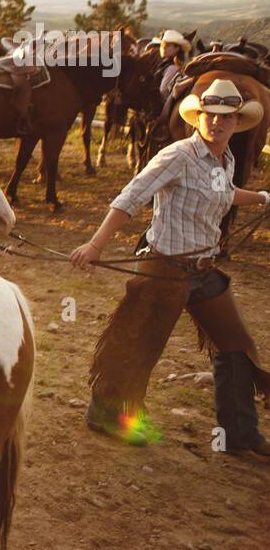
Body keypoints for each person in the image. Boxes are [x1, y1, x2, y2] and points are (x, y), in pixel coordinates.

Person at [70, 78, 270, 454]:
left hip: (203, 269)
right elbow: (130, 197)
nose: (217, 122)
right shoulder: (177, 155)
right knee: (139, 344)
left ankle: (240, 434)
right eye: (210, 115)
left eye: (226, 117)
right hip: (165, 268)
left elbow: (224, 195)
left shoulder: (224, 159)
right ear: (199, 118)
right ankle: (107, 415)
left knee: (236, 344)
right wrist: (96, 244)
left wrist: (261, 197)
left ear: (237, 122)